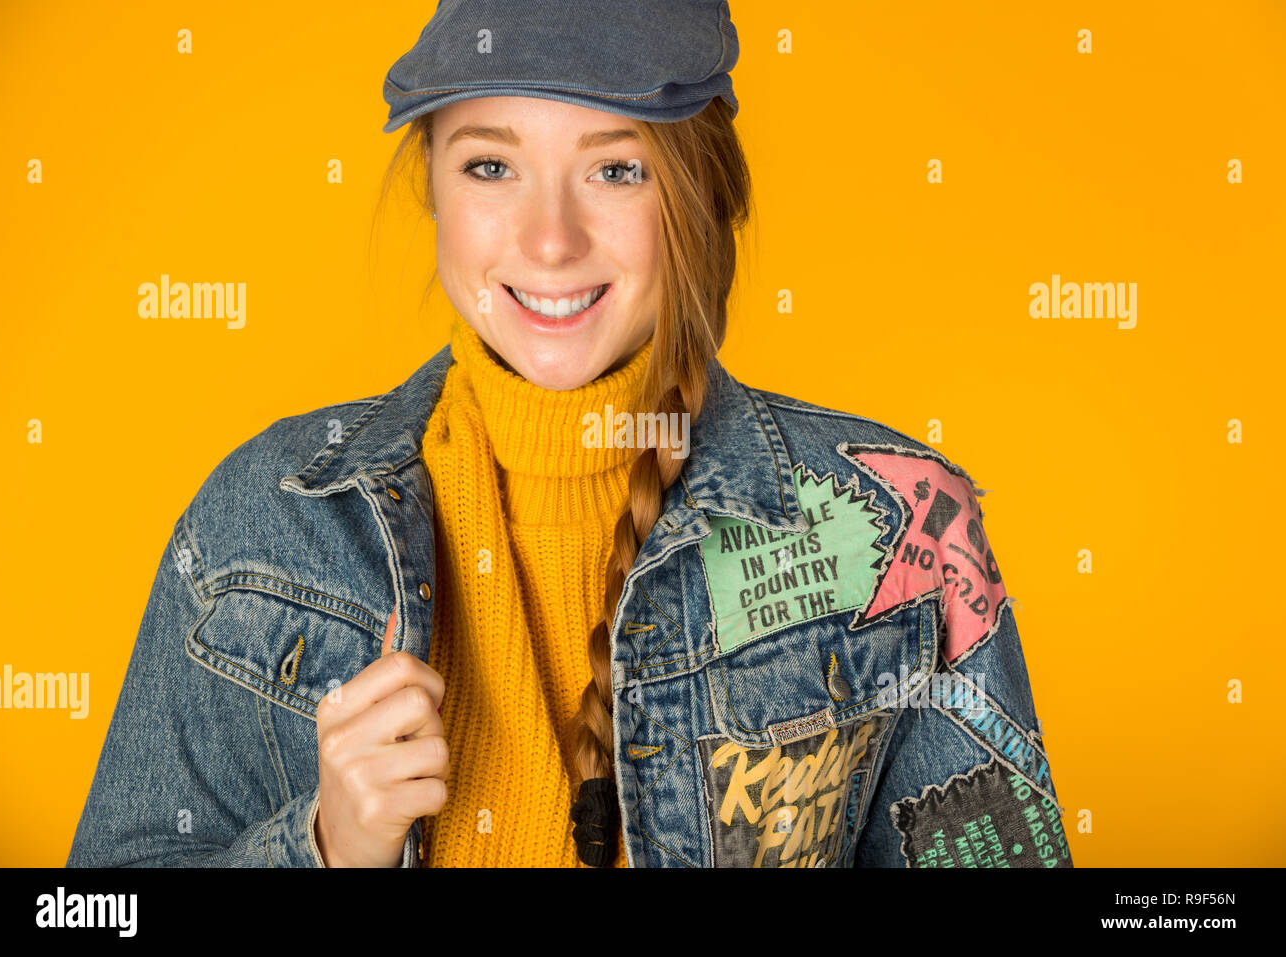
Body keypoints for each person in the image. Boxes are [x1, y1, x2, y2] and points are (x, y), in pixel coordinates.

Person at [67, 0, 1072, 868]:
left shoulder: (894, 521)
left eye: (615, 170)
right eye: (491, 164)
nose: (549, 240)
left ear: (700, 191)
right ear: (432, 185)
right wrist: (325, 847)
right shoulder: (262, 522)